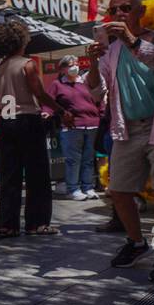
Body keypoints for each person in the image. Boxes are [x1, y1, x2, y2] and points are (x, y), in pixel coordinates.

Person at [86, 0, 154, 283]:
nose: (120, 14)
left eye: (126, 8)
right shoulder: (112, 51)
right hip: (125, 129)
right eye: (114, 10)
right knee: (119, 191)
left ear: (141, 11)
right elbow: (95, 91)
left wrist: (130, 39)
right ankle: (137, 241)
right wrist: (91, 63)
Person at [0, 21, 72, 237]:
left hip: (6, 123)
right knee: (37, 174)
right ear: (20, 41)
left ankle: (7, 225)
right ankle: (37, 223)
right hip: (28, 120)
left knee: (9, 175)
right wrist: (62, 111)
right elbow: (40, 94)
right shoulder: (27, 65)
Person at [48, 54, 101, 200]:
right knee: (73, 159)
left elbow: (98, 99)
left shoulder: (85, 82)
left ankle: (88, 187)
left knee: (89, 159)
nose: (75, 67)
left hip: (91, 124)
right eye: (71, 64)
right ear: (63, 68)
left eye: (76, 63)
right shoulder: (57, 85)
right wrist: (46, 113)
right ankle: (73, 189)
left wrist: (101, 114)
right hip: (71, 126)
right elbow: (49, 102)